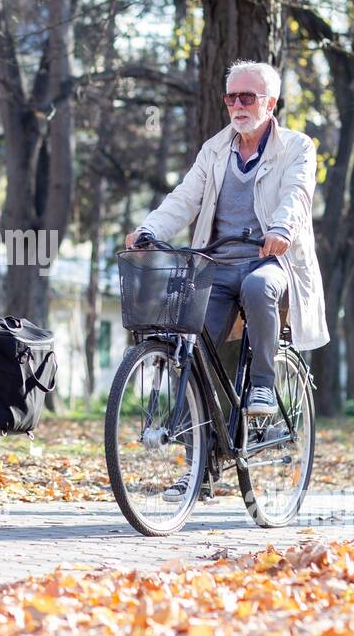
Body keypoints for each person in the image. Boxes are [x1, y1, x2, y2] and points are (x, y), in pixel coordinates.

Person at [126, 59, 329, 422]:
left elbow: (296, 195)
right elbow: (184, 198)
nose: (237, 106)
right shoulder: (215, 149)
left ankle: (263, 383)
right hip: (217, 266)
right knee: (199, 358)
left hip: (271, 261)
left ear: (270, 103)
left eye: (247, 98)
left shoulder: (296, 147)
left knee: (258, 286)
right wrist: (150, 230)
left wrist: (281, 230)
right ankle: (198, 469)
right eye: (231, 98)